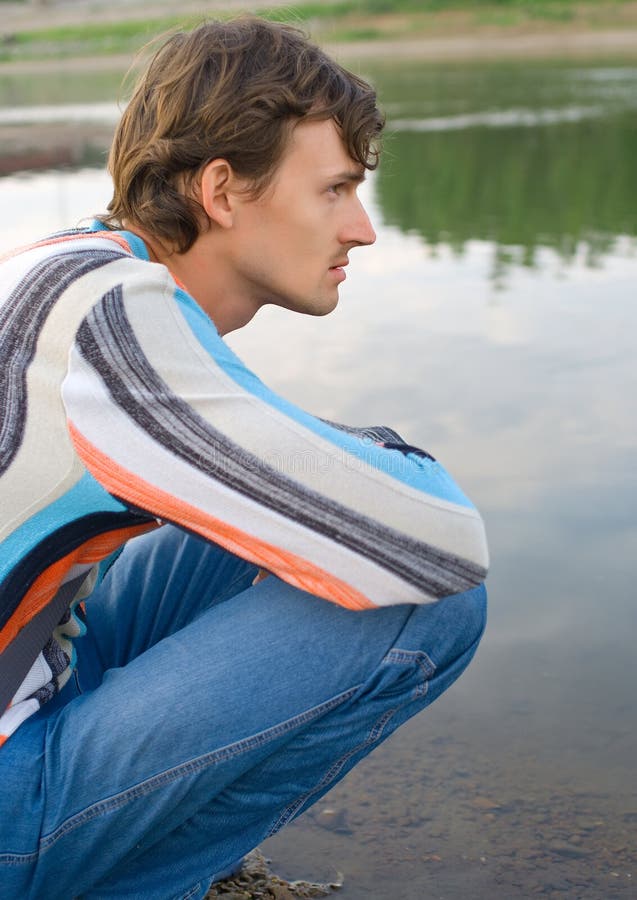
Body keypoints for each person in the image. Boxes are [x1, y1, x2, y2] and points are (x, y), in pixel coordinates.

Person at [0, 17, 488, 900]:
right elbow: (445, 546)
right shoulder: (115, 330)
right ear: (222, 190)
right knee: (426, 603)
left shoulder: (75, 268)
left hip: (30, 670)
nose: (363, 229)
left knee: (284, 522)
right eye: (334, 190)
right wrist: (384, 464)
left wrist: (361, 465)